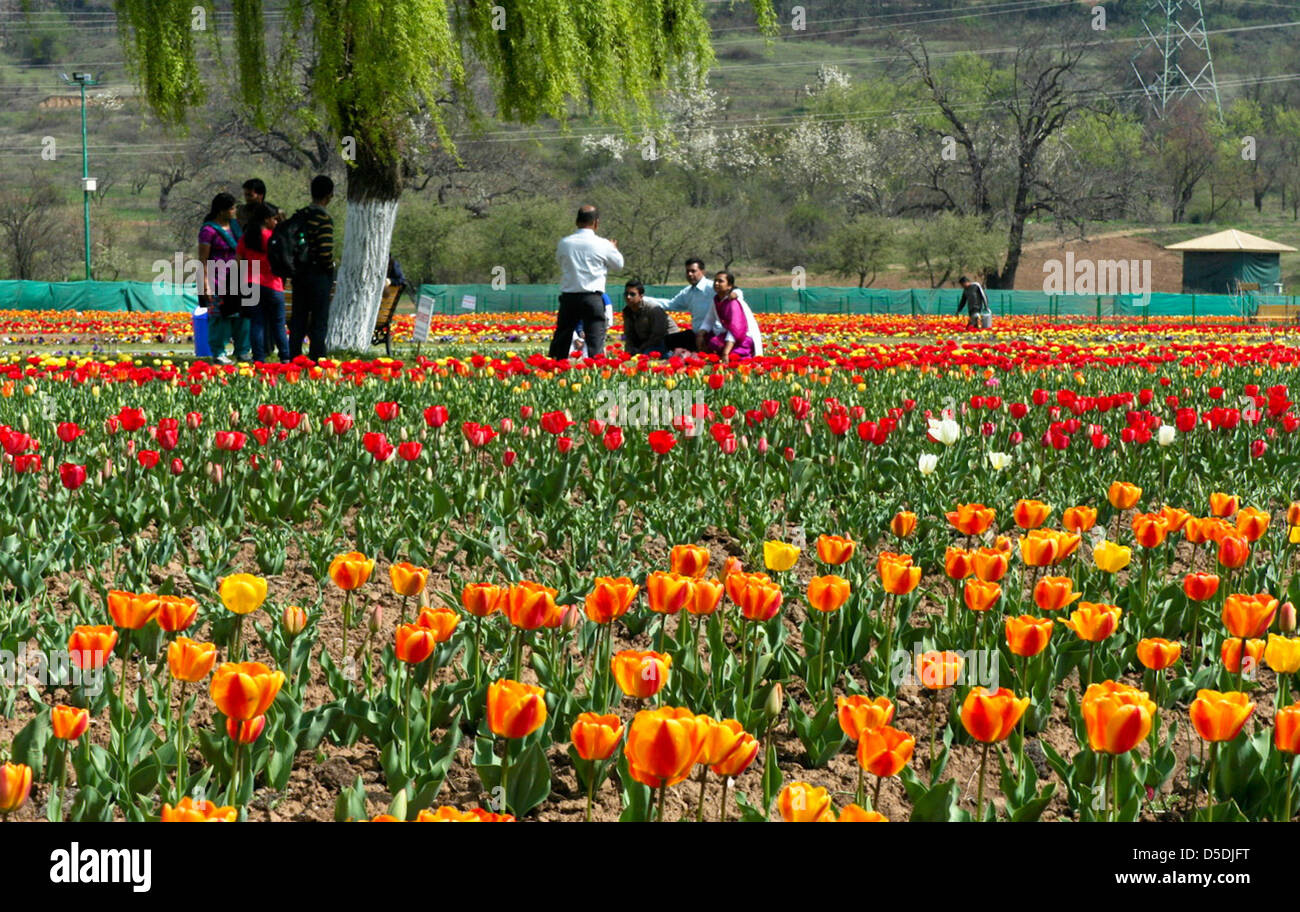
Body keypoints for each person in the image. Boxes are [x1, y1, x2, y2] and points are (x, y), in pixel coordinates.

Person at [549, 205, 623, 359]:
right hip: (592, 296)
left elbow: (560, 261)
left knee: (563, 334)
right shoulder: (603, 244)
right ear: (596, 223)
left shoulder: (564, 243)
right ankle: (595, 367)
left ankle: (555, 367)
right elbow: (619, 265)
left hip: (569, 296)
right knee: (595, 335)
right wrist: (613, 249)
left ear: (576, 221)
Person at [646, 257, 746, 353]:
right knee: (669, 340)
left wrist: (735, 294)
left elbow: (735, 290)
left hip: (716, 335)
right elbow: (670, 304)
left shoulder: (712, 286)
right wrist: (644, 299)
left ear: (702, 272)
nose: (689, 274)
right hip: (697, 334)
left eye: (693, 271)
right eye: (687, 271)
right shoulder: (687, 292)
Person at [197, 192, 248, 364]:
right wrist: (205, 285)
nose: (234, 211)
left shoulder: (236, 227)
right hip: (217, 279)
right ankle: (218, 352)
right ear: (221, 210)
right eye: (231, 208)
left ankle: (242, 351)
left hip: (238, 278)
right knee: (219, 317)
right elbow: (202, 260)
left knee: (241, 316)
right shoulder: (208, 231)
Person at [289, 175, 336, 361]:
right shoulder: (323, 218)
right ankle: (317, 358)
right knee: (318, 320)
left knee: (298, 318)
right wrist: (329, 266)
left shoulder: (301, 215)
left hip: (299, 274)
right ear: (329, 195)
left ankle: (294, 357)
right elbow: (325, 252)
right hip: (318, 275)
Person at [236, 202, 288, 363]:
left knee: (256, 323)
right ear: (266, 220)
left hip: (251, 284)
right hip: (272, 284)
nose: (276, 222)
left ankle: (258, 358)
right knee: (278, 323)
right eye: (274, 219)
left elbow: (238, 261)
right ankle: (285, 357)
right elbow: (282, 260)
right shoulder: (272, 237)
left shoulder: (246, 237)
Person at [702, 271, 763, 359]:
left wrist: (725, 353)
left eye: (720, 281)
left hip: (743, 336)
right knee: (711, 340)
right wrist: (701, 334)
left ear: (729, 286)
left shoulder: (733, 302)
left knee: (733, 355)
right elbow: (709, 319)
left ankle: (742, 355)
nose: (716, 283)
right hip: (730, 334)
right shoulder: (716, 300)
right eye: (715, 281)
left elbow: (736, 328)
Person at [621, 280, 678, 356]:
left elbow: (657, 335)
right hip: (647, 339)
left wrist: (641, 349)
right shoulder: (627, 311)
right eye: (626, 294)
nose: (628, 297)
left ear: (641, 296)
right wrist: (628, 351)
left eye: (632, 294)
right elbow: (628, 334)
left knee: (648, 353)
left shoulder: (653, 309)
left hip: (666, 339)